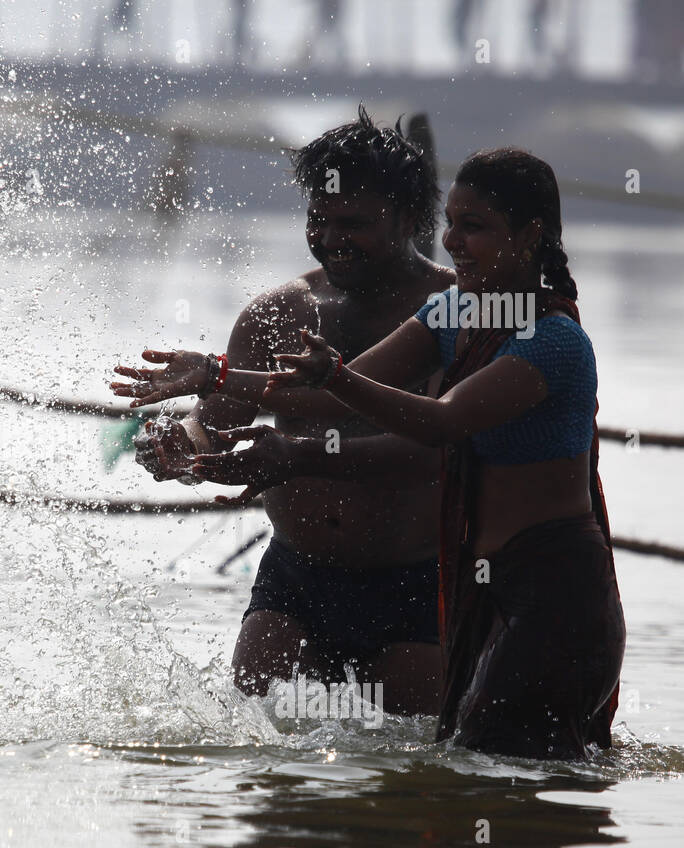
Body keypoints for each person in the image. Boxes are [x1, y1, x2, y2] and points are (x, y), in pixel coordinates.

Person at [116, 148, 623, 760]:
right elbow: (331, 397)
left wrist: (303, 438)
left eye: (474, 227)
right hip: (421, 581)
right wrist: (214, 378)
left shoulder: (551, 339)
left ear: (530, 234)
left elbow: (438, 430)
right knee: (466, 766)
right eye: (454, 224)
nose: (454, 241)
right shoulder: (453, 312)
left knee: (508, 767)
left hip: (533, 585)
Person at [125, 108, 453, 714]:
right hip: (297, 577)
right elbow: (213, 426)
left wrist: (300, 457)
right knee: (256, 750)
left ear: (408, 219)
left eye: (354, 224)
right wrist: (175, 446)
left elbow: (447, 446)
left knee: (413, 780)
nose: (332, 240)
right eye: (319, 221)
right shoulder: (278, 312)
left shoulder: (455, 314)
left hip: (415, 581)